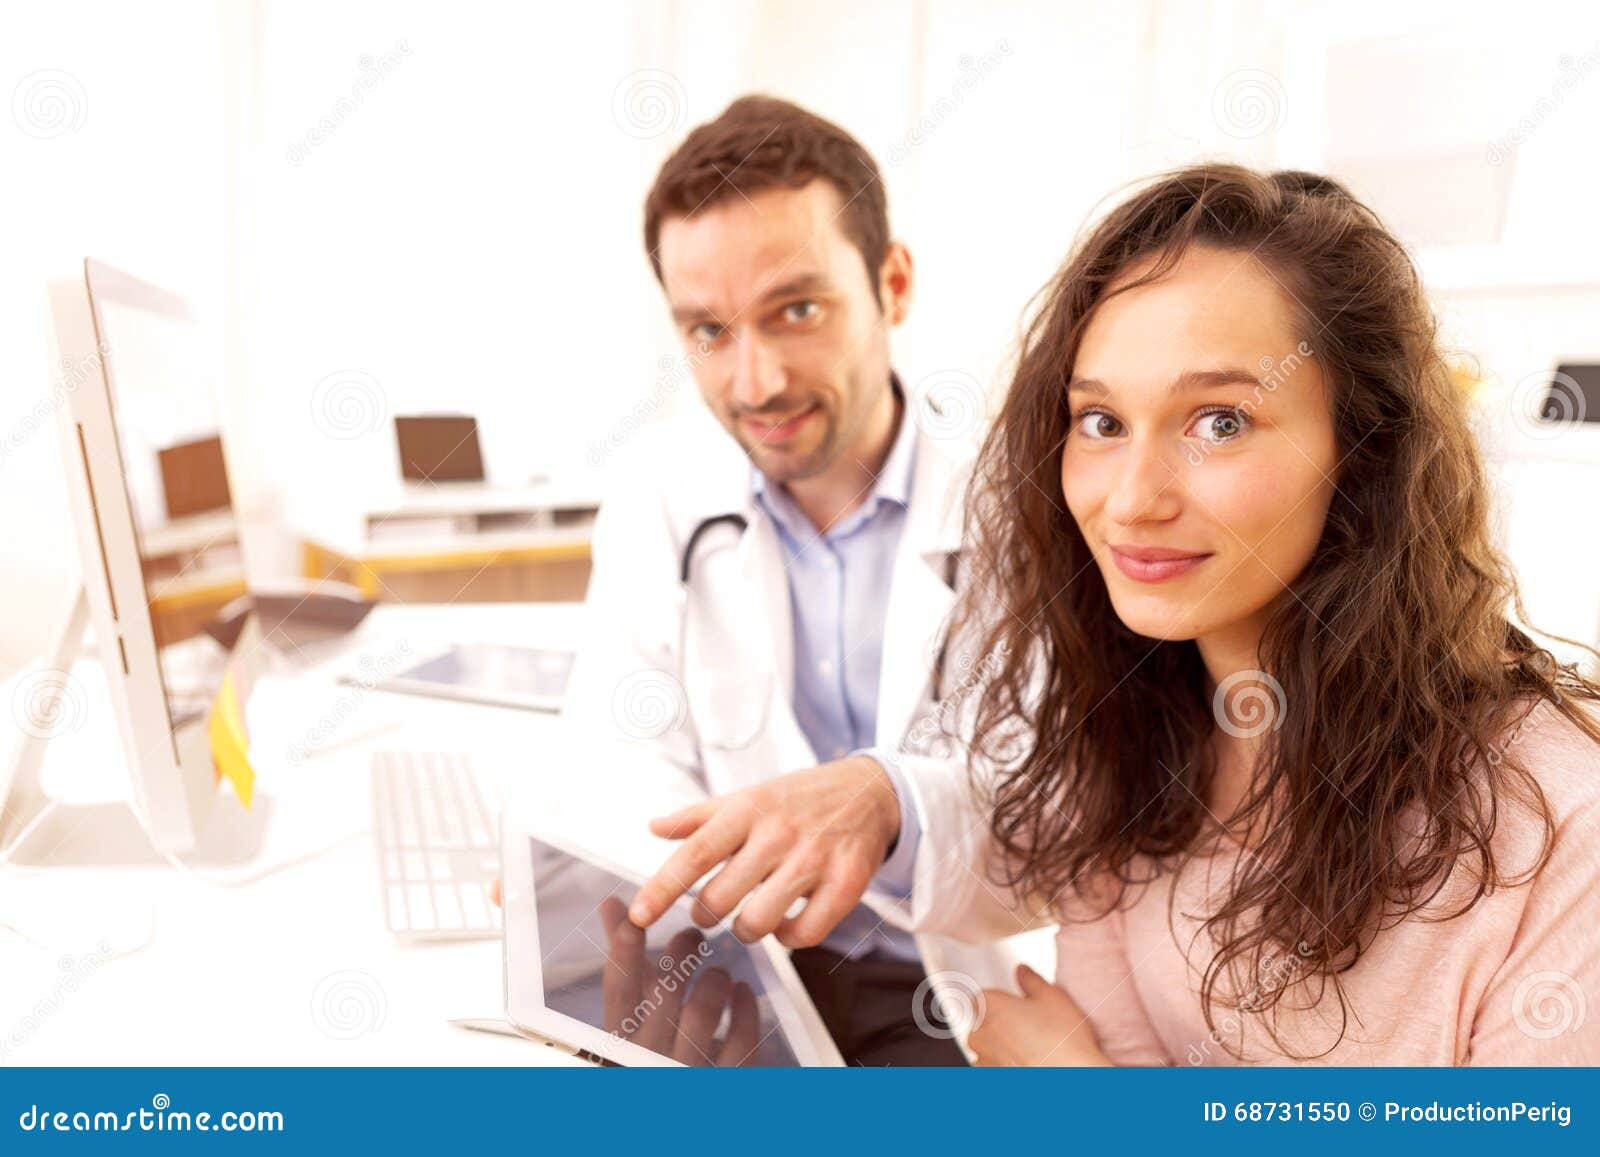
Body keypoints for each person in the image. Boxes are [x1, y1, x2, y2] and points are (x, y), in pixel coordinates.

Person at [915, 164, 1600, 1064]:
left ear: (1364, 448)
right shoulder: (1135, 741)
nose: (1131, 500)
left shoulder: (1559, 814)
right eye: (1102, 421)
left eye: (1221, 422)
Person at [568, 95, 1040, 1066]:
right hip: (743, 977)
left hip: (947, 989)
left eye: (796, 310)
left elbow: (1067, 808)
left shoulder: (1029, 500)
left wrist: (889, 803)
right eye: (707, 330)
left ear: (892, 284)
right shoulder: (658, 498)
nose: (756, 381)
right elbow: (619, 755)